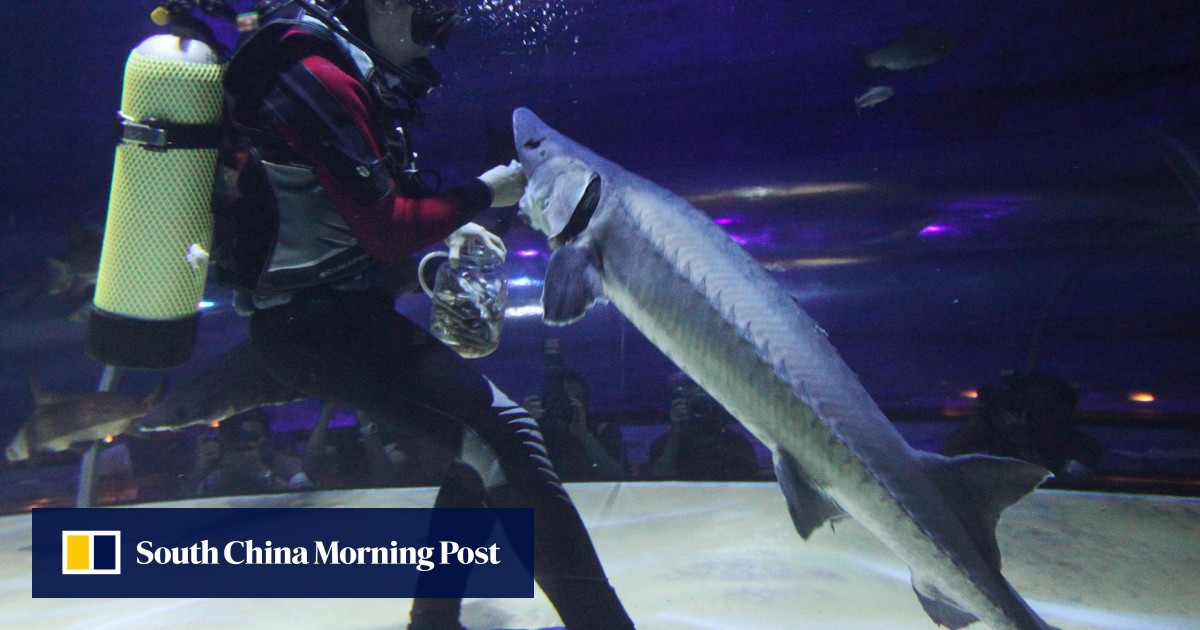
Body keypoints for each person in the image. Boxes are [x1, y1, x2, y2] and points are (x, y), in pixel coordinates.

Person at [204, 1, 633, 628]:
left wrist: (464, 231)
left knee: (476, 448)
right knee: (506, 435)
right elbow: (385, 230)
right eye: (428, 16)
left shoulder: (335, 70)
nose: (436, 39)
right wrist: (487, 192)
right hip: (312, 326)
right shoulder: (316, 77)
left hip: (336, 314)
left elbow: (363, 218)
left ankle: (433, 620)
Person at [941, 372, 1104, 480]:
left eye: (1037, 402)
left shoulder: (1082, 446)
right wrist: (977, 418)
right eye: (1024, 401)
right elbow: (946, 460)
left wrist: (1024, 444)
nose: (1027, 408)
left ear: (1062, 410)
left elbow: (1062, 487)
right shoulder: (1002, 433)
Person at [649, 374, 760, 481]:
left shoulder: (737, 445)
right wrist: (676, 433)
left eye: (703, 403)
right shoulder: (664, 445)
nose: (699, 408)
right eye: (693, 402)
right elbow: (659, 479)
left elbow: (749, 477)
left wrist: (717, 427)